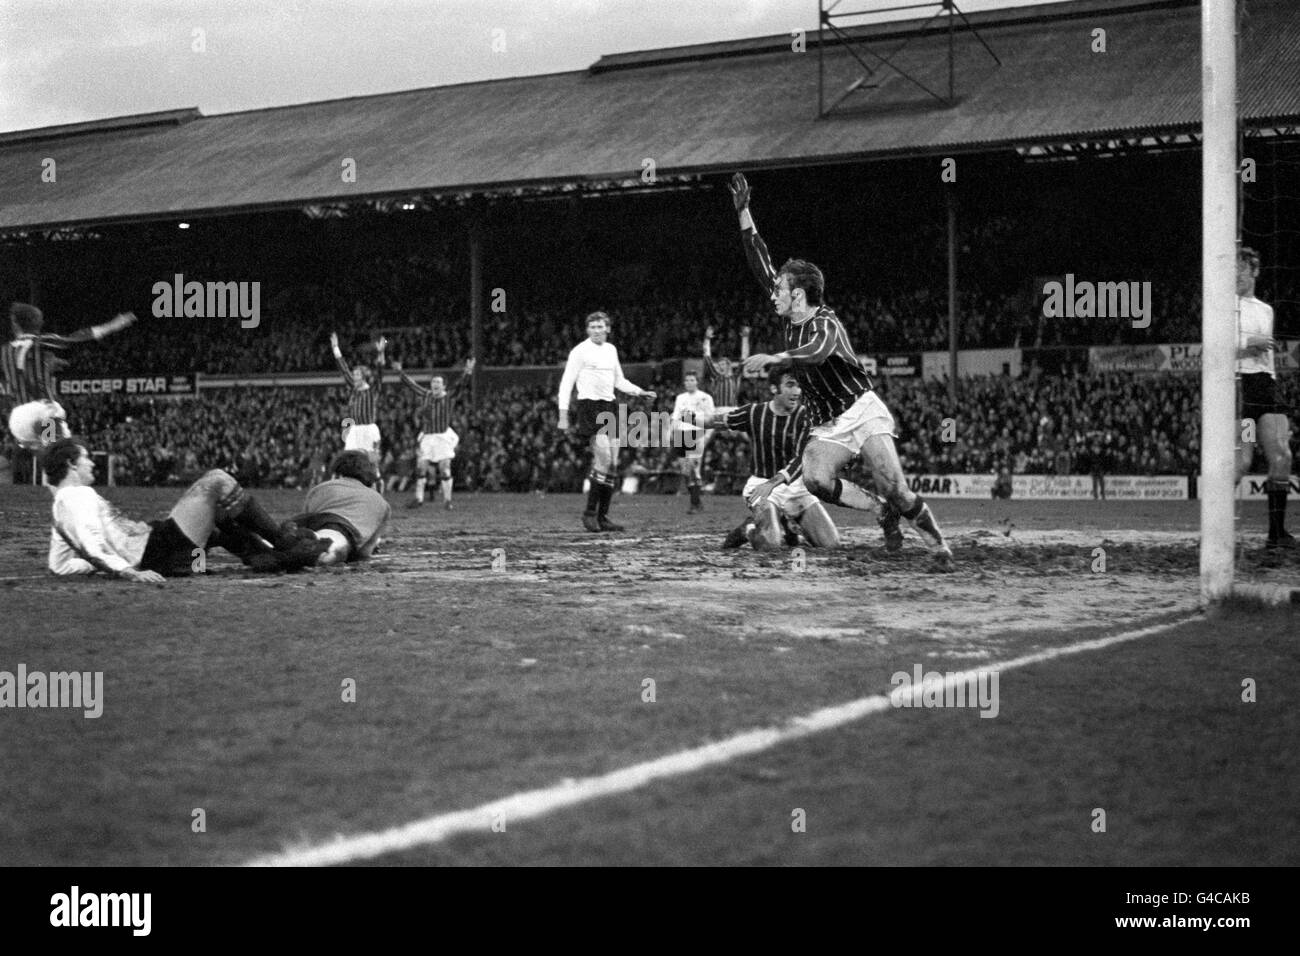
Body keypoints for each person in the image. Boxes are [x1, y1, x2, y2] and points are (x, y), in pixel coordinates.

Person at [728, 173, 953, 565]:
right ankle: (881, 511)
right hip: (828, 423)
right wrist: (745, 212)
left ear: (797, 294)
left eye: (780, 288)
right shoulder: (788, 313)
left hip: (861, 410)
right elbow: (758, 259)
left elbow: (815, 353)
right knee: (815, 478)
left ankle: (937, 546)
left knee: (897, 486)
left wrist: (777, 359)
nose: (774, 292)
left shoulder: (825, 323)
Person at [43, 437, 325, 581]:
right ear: (71, 465)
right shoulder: (74, 498)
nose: (92, 463)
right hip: (154, 551)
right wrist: (127, 572)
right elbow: (92, 544)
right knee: (217, 481)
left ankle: (272, 558)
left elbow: (59, 564)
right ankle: (282, 542)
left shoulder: (65, 503)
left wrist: (91, 568)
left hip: (156, 549)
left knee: (221, 524)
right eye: (86, 458)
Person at [703, 368, 839, 550]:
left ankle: (789, 531)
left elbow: (801, 459)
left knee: (830, 544)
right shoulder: (754, 413)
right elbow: (714, 421)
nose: (797, 392)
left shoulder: (807, 416)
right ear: (774, 388)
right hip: (762, 487)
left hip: (796, 488)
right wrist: (681, 418)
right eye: (790, 385)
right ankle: (748, 529)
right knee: (771, 544)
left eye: (799, 386)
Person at [556, 311, 656, 532]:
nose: (597, 331)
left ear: (608, 328)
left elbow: (618, 380)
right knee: (604, 459)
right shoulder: (579, 352)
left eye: (601, 327)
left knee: (612, 465)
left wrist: (640, 392)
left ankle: (603, 517)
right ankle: (589, 513)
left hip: (610, 407)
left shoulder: (611, 350)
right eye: (592, 327)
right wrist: (563, 414)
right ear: (587, 330)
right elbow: (566, 384)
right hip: (589, 408)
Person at [4, 303, 136, 450]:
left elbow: (21, 372)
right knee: (57, 455)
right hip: (42, 413)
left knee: (29, 460)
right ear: (38, 323)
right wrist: (111, 326)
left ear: (15, 324)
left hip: (18, 419)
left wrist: (47, 367)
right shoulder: (39, 341)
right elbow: (74, 339)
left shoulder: (5, 350)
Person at [1235, 246, 1294, 548]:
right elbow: (1222, 345)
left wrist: (1257, 347)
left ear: (1255, 272)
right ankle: (1216, 528)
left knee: (1282, 457)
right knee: (1242, 461)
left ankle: (1276, 533)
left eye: (1244, 269)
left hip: (1266, 390)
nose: (1238, 275)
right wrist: (1250, 343)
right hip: (1241, 389)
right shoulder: (1225, 306)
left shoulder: (1265, 310)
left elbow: (1267, 355)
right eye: (1234, 269)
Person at [395, 357, 474, 509]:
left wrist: (468, 371)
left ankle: (447, 501)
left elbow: (460, 386)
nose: (435, 385)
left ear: (444, 386)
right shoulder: (426, 395)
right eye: (433, 382)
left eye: (438, 382)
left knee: (444, 469)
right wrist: (400, 372)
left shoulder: (449, 397)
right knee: (421, 468)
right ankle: (418, 499)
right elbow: (412, 385)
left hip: (442, 437)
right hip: (427, 436)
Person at [291, 450, 391, 565]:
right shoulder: (381, 503)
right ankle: (321, 544)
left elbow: (307, 516)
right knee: (332, 549)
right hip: (341, 530)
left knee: (290, 539)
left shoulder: (318, 489)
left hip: (308, 523)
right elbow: (364, 553)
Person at [330, 331, 388, 466]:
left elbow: (380, 371)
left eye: (357, 375)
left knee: (372, 464)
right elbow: (344, 369)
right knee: (348, 460)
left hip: (369, 429)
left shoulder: (372, 390)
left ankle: (376, 484)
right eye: (354, 374)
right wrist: (335, 348)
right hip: (355, 429)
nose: (354, 377)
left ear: (364, 377)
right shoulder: (354, 388)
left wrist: (381, 353)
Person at [670, 371, 715, 514]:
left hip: (696, 434)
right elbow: (676, 417)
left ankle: (694, 504)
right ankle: (697, 502)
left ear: (697, 382)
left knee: (694, 467)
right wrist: (670, 433)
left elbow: (711, 418)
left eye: (692, 380)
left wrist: (708, 435)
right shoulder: (680, 398)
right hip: (680, 434)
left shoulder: (705, 398)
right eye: (687, 380)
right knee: (685, 470)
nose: (689, 382)